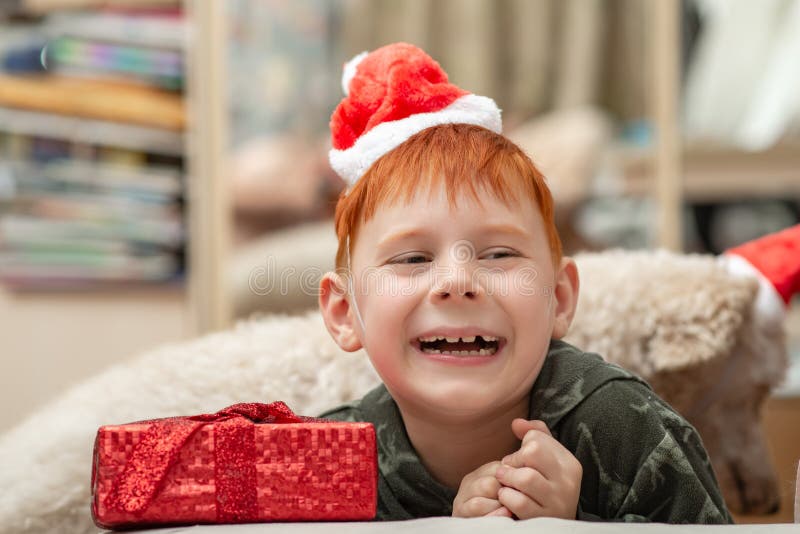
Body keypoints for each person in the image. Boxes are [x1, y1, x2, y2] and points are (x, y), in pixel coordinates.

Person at [317, 42, 733, 523]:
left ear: (558, 298)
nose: (457, 280)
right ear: (345, 313)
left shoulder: (625, 429)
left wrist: (571, 526)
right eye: (412, 257)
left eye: (498, 254)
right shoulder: (334, 462)